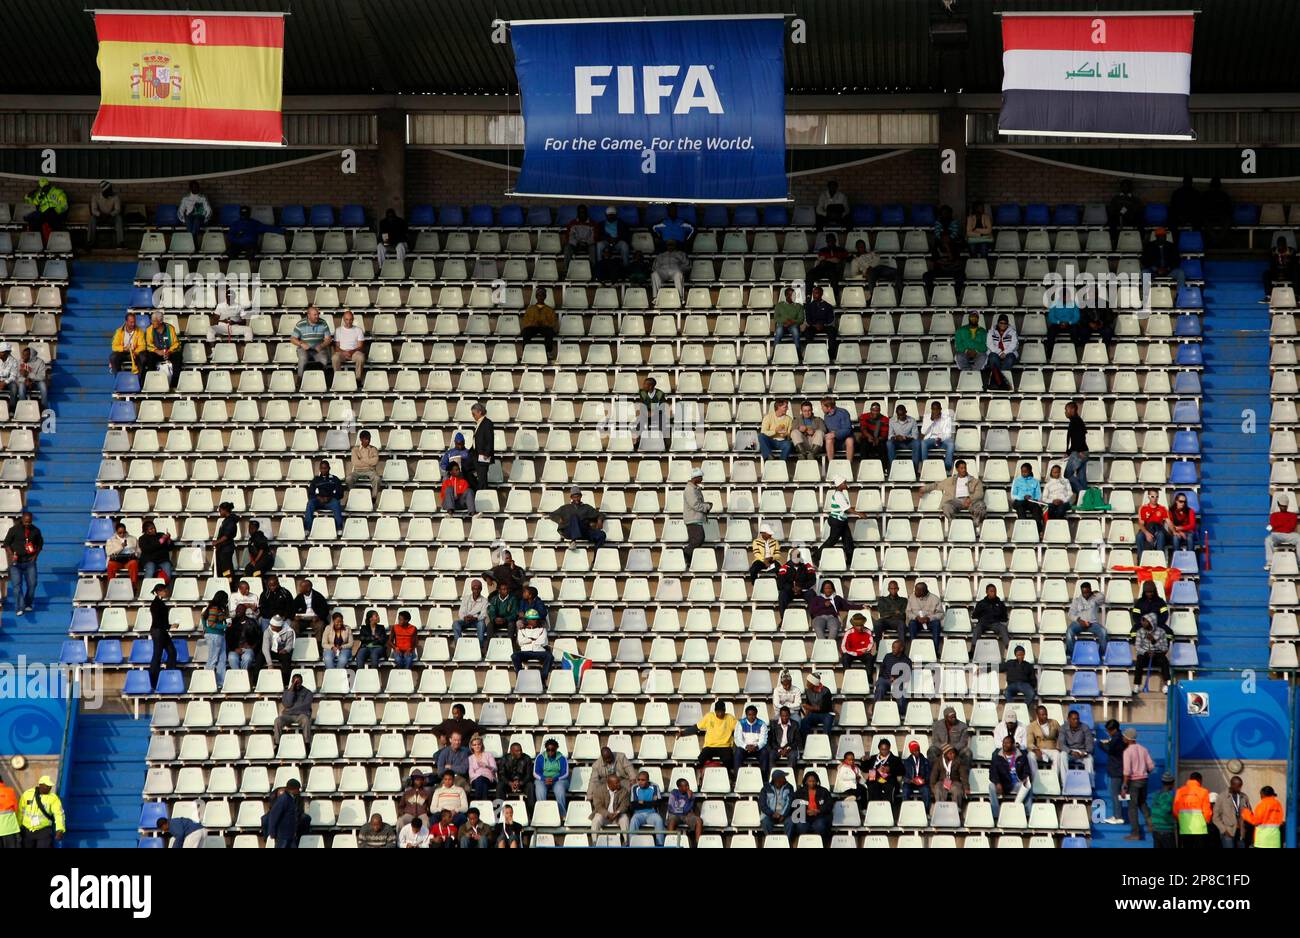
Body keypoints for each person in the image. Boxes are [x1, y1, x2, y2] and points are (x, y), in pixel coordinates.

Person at [920, 459, 986, 527]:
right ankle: (954, 524)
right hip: (955, 501)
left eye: (965, 468)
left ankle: (975, 523)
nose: (964, 470)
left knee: (981, 505)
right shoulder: (950, 480)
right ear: (957, 469)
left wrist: (970, 498)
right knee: (946, 506)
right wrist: (924, 489)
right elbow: (937, 485)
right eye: (961, 468)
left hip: (970, 501)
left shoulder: (975, 481)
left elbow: (980, 493)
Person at [818, 474, 865, 564]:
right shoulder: (838, 495)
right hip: (837, 521)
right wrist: (860, 514)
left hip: (841, 521)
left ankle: (850, 561)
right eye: (844, 483)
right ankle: (816, 556)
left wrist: (859, 510)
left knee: (848, 541)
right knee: (832, 541)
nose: (846, 484)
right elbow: (847, 509)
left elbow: (846, 507)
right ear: (840, 484)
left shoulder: (840, 494)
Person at [1121, 729, 1156, 841]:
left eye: (1124, 736)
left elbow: (1127, 772)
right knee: (1142, 802)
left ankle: (1135, 833)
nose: (1123, 738)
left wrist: (1124, 787)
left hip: (1133, 782)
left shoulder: (1127, 752)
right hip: (1144, 780)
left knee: (1132, 808)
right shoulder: (1143, 749)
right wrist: (1143, 772)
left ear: (1128, 738)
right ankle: (1151, 823)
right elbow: (1151, 766)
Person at [3, 511, 40, 617]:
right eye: (25, 522)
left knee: (32, 584)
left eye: (29, 522)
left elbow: (39, 544)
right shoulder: (13, 530)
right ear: (22, 520)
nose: (27, 524)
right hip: (16, 563)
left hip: (29, 562)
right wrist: (11, 555)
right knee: (16, 586)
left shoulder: (36, 531)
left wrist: (35, 556)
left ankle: (28, 603)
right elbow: (6, 544)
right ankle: (19, 607)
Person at [989, 735, 1034, 818]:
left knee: (1029, 785)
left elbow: (1027, 771)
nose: (1005, 745)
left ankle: (1028, 813)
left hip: (1017, 783)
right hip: (1003, 783)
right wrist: (997, 783)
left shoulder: (1021, 756)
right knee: (991, 786)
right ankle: (996, 814)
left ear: (1013, 744)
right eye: (1004, 743)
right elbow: (993, 772)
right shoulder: (997, 756)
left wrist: (1025, 778)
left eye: (1007, 743)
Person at [692, 699, 738, 779]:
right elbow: (697, 726)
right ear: (715, 711)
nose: (720, 713)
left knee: (729, 759)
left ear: (725, 711)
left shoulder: (730, 718)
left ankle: (728, 774)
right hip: (710, 746)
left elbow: (740, 727)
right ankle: (703, 774)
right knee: (701, 758)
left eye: (722, 711)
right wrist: (683, 733)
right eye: (718, 711)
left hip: (724, 746)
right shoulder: (709, 716)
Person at [1097, 719, 1129, 824]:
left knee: (1115, 794)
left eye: (1109, 731)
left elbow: (1110, 750)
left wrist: (1101, 745)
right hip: (1118, 768)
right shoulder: (1120, 737)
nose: (1108, 733)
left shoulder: (1117, 739)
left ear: (1113, 729)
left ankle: (1118, 816)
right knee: (1115, 793)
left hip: (1117, 769)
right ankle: (1117, 815)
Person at [18, 776, 64, 847]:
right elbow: (21, 812)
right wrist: (18, 828)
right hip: (27, 831)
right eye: (47, 786)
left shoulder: (53, 798)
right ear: (40, 785)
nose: (49, 788)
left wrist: (60, 829)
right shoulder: (27, 794)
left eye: (50, 786)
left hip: (44, 831)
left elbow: (59, 814)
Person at [139, 310, 181, 389]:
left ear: (160, 321)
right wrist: (157, 351)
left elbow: (176, 343)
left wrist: (169, 351)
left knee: (177, 356)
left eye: (154, 321)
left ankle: (175, 383)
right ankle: (152, 381)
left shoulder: (170, 328)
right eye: (152, 320)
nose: (152, 322)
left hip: (168, 352)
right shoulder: (149, 329)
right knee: (150, 357)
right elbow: (148, 345)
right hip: (156, 352)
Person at [290, 306, 333, 383]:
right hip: (304, 348)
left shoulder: (323, 323)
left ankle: (321, 380)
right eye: (315, 315)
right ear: (308, 315)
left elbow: (328, 339)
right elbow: (292, 339)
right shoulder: (300, 324)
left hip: (318, 348)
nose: (317, 316)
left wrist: (322, 345)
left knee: (324, 359)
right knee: (302, 359)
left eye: (318, 314)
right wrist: (301, 344)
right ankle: (299, 380)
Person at [147, 582, 176, 689]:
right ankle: (153, 682)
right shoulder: (155, 604)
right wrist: (169, 626)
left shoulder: (158, 603)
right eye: (164, 590)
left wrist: (168, 626)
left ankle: (168, 677)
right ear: (159, 592)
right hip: (158, 631)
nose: (166, 592)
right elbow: (158, 621)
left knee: (172, 652)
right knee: (157, 656)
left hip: (161, 631)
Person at [1133, 613, 1172, 692]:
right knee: (1139, 660)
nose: (1142, 623)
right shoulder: (1140, 631)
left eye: (1145, 621)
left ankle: (1166, 685)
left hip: (1157, 654)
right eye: (1142, 621)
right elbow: (1137, 647)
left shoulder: (1161, 632)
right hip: (1145, 655)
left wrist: (1154, 641)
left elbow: (1165, 647)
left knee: (1164, 660)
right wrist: (1146, 652)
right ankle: (1137, 685)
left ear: (1151, 622)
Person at [1066, 581, 1107, 655]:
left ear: (1090, 590)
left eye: (1087, 592)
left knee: (1103, 632)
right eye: (1083, 592)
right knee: (1069, 631)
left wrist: (1095, 592)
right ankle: (1072, 654)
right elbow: (1070, 614)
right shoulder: (1077, 600)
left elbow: (1102, 597)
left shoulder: (1095, 599)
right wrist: (1079, 620)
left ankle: (1102, 654)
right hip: (1079, 623)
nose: (1085, 595)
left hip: (1092, 624)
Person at [1173, 771, 1213, 847]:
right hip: (1200, 829)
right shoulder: (1203, 791)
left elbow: (1175, 811)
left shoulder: (1179, 791)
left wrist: (1181, 820)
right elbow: (1207, 812)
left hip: (1185, 828)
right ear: (1200, 780)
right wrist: (1207, 822)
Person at [511, 608, 554, 680]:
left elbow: (543, 642)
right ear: (527, 620)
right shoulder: (521, 630)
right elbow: (520, 642)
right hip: (525, 652)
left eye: (536, 619)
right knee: (514, 656)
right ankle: (520, 678)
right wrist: (533, 639)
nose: (535, 620)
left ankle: (543, 679)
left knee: (549, 656)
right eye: (533, 619)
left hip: (539, 651)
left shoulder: (542, 629)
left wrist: (528, 640)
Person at [274, 672, 314, 747]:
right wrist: (292, 689)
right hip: (288, 716)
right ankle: (277, 744)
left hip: (301, 716)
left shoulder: (308, 693)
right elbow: (287, 704)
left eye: (298, 682)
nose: (297, 684)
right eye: (295, 682)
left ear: (302, 682)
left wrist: (289, 710)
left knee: (306, 719)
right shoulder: (287, 692)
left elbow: (305, 707)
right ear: (292, 682)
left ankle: (307, 744)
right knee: (277, 720)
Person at [793, 771, 833, 844]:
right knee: (800, 826)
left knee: (820, 826)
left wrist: (818, 811)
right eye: (809, 781)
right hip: (804, 816)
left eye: (813, 781)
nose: (812, 783)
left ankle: (820, 844)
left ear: (817, 781)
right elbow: (795, 805)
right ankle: (804, 844)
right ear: (805, 781)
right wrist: (805, 811)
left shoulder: (824, 791)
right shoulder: (799, 792)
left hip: (820, 816)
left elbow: (829, 805)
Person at [305, 459, 344, 533]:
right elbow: (310, 494)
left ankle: (339, 528)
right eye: (322, 468)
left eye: (325, 468)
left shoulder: (335, 479)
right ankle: (307, 528)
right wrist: (318, 498)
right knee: (310, 503)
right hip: (318, 501)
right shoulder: (316, 479)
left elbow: (340, 493)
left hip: (330, 501)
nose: (324, 470)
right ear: (320, 469)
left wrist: (330, 498)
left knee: (336, 503)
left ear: (329, 468)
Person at [775, 548, 817, 616]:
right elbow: (780, 583)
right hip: (790, 591)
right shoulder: (784, 568)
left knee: (811, 594)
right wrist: (791, 588)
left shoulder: (807, 566)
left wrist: (801, 587)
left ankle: (814, 618)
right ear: (791, 556)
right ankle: (784, 619)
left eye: (798, 555)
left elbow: (812, 580)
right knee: (782, 595)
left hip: (803, 591)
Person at [533, 738, 570, 816]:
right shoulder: (540, 757)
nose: (550, 752)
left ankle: (562, 815)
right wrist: (544, 778)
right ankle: (542, 814)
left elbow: (565, 773)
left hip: (559, 779)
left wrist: (554, 779)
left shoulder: (562, 758)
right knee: (539, 787)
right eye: (548, 750)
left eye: (552, 750)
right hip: (544, 780)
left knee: (559, 788)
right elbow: (536, 773)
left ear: (556, 749)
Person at [199, 590, 230, 683]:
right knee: (213, 659)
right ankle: (206, 682)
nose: (227, 601)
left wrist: (205, 627)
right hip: (214, 635)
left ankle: (220, 682)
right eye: (226, 599)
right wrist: (225, 626)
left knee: (222, 659)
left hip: (219, 635)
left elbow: (203, 617)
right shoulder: (214, 608)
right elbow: (211, 624)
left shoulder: (216, 608)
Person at [1142, 227, 1186, 292]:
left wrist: (1168, 268)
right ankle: (1146, 297)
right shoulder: (1150, 246)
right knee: (1144, 273)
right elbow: (1145, 261)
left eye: (1163, 236)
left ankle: (1180, 296)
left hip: (1168, 270)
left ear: (1165, 236)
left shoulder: (1171, 246)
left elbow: (1176, 261)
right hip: (1154, 271)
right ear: (1156, 237)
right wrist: (1155, 269)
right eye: (1160, 236)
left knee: (1180, 273)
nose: (1162, 238)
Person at [805, 232, 848, 299]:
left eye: (831, 240)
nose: (830, 242)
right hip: (822, 269)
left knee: (833, 274)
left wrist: (826, 259)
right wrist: (821, 260)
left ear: (835, 240)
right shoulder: (823, 250)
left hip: (834, 270)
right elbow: (818, 262)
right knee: (809, 274)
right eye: (828, 241)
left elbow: (837, 260)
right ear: (826, 241)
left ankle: (835, 297)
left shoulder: (841, 250)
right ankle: (808, 296)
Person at [682, 467, 711, 564]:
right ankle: (685, 553)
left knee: (696, 539)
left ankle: (689, 560)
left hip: (695, 518)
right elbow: (695, 505)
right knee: (699, 538)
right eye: (701, 477)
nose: (702, 479)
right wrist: (706, 506)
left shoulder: (693, 488)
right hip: (693, 519)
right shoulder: (690, 489)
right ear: (696, 477)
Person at [970, 584, 1010, 652]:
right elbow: (974, 615)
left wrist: (999, 617)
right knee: (977, 629)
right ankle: (973, 649)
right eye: (991, 591)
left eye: (994, 591)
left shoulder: (1000, 604)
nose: (993, 593)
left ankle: (1009, 648)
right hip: (983, 623)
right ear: (987, 592)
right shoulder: (981, 603)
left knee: (1003, 628)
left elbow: (1004, 617)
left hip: (994, 623)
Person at [1028, 705, 1062, 784]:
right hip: (1039, 750)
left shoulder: (1054, 723)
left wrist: (1058, 746)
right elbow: (1029, 742)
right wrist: (1035, 750)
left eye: (1046, 714)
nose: (1045, 716)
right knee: (1030, 755)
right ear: (1037, 715)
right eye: (1042, 715)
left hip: (1052, 749)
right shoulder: (1032, 726)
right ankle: (1036, 780)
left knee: (1058, 755)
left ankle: (1054, 780)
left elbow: (1061, 736)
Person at [874, 638, 911, 710]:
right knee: (880, 687)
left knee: (899, 690)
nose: (893, 649)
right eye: (892, 647)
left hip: (897, 682)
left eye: (895, 647)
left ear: (901, 649)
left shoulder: (907, 661)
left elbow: (907, 676)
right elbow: (882, 670)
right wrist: (881, 678)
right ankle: (876, 710)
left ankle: (901, 712)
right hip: (885, 679)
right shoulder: (887, 656)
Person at [520, 287, 558, 359]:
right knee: (525, 332)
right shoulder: (530, 309)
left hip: (544, 327)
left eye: (542, 295)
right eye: (539, 295)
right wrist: (533, 323)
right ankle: (526, 352)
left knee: (550, 332)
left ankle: (548, 352)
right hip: (533, 327)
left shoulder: (549, 310)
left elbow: (553, 322)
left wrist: (545, 323)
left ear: (545, 297)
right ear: (536, 297)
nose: (540, 297)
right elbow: (525, 321)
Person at [918, 401, 955, 472]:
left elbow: (948, 434)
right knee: (923, 443)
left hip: (943, 439)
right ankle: (925, 467)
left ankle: (947, 467)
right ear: (931, 409)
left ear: (940, 409)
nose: (935, 411)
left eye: (937, 409)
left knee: (951, 444)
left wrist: (940, 438)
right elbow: (923, 432)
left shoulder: (947, 418)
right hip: (931, 439)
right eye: (933, 409)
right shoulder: (927, 417)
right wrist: (931, 420)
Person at [733, 704, 770, 777]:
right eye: (749, 715)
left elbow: (763, 740)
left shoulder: (762, 724)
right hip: (744, 748)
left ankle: (764, 779)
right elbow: (737, 739)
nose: (751, 717)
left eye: (753, 715)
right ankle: (737, 778)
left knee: (765, 752)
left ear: (756, 714)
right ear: (746, 715)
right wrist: (746, 746)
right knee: (737, 752)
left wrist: (756, 747)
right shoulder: (740, 723)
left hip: (757, 748)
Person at [1060, 709, 1095, 784]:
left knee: (1089, 759)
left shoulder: (1085, 727)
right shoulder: (1063, 728)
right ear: (1068, 719)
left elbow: (1090, 744)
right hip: (1070, 752)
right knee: (1062, 755)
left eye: (1077, 719)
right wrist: (1071, 752)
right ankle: (1065, 782)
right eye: (1074, 719)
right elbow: (1061, 744)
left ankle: (1090, 784)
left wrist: (1085, 752)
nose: (1076, 721)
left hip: (1082, 752)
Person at [330, 308, 367, 381]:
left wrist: (351, 352)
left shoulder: (358, 330)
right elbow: (336, 347)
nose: (349, 321)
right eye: (347, 319)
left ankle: (357, 379)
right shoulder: (338, 330)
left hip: (354, 353)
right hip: (342, 352)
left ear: (353, 319)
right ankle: (338, 379)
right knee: (334, 358)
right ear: (343, 319)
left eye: (350, 319)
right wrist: (343, 352)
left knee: (361, 357)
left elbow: (360, 347)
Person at [1265, 493, 1299, 570]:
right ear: (1278, 504)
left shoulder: (1293, 515)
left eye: (1285, 506)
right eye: (1282, 505)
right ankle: (1270, 563)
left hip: (1289, 535)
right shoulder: (1273, 515)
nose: (1283, 507)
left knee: (1299, 538)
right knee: (1268, 540)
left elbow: (1290, 528)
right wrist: (1283, 524)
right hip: (1277, 535)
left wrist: (1277, 525)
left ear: (1287, 506)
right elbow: (1270, 527)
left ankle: (1299, 562)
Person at [87, 180, 124, 249]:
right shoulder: (95, 196)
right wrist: (100, 215)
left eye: (111, 189)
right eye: (109, 189)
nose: (111, 191)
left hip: (110, 217)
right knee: (92, 219)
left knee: (119, 218)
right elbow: (94, 210)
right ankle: (90, 242)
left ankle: (120, 243)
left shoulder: (115, 197)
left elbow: (118, 210)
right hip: (99, 217)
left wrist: (110, 215)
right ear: (104, 190)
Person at [468, 402, 497, 493]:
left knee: (482, 478)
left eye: (474, 413)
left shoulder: (487, 423)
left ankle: (482, 495)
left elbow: (489, 439)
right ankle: (478, 489)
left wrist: (486, 454)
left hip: (483, 456)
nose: (473, 416)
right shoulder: (479, 423)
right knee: (465, 469)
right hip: (475, 455)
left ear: (479, 412)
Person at [104, 522, 141, 591]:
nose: (122, 534)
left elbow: (139, 551)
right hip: (117, 561)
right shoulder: (111, 540)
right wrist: (121, 547)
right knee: (110, 565)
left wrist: (135, 554)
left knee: (134, 563)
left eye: (124, 532)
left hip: (129, 560)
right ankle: (111, 587)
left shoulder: (133, 538)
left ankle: (133, 587)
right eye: (120, 533)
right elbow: (109, 552)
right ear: (116, 532)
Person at [865, 740, 904, 806]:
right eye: (882, 749)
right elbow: (865, 769)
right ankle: (873, 808)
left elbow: (902, 771)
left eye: (886, 749)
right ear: (879, 749)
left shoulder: (895, 759)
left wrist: (890, 769)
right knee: (872, 786)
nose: (884, 751)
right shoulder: (873, 758)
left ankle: (887, 808)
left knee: (889, 787)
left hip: (888, 780)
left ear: (889, 748)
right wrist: (863, 761)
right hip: (875, 779)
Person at [1064, 400, 1090, 495]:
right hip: (1084, 451)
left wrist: (1078, 451)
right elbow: (1077, 438)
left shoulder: (1076, 421)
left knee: (1067, 475)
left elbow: (1080, 437)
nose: (1065, 412)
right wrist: (1068, 452)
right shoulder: (1077, 420)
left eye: (1066, 410)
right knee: (1081, 478)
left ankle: (1084, 495)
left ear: (1072, 409)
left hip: (1079, 453)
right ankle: (1084, 501)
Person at [906, 581, 943, 647]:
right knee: (911, 623)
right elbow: (908, 612)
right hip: (917, 621)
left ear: (922, 591)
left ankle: (935, 651)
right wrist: (916, 617)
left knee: (937, 624)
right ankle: (913, 648)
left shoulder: (935, 598)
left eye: (916, 590)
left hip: (930, 622)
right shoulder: (912, 597)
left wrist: (929, 618)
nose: (915, 592)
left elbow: (940, 614)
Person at [759, 770, 796, 837]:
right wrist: (772, 814)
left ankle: (787, 842)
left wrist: (783, 815)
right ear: (777, 779)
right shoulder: (765, 788)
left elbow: (790, 803)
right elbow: (762, 805)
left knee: (791, 821)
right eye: (783, 777)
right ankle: (770, 840)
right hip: (770, 814)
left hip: (785, 815)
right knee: (765, 822)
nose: (785, 779)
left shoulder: (789, 787)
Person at [293, 577, 329, 644]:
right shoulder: (299, 597)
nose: (299, 589)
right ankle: (296, 644)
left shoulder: (318, 596)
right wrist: (295, 617)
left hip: (315, 619)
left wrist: (318, 617)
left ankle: (318, 646)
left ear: (308, 588)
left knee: (320, 625)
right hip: (302, 620)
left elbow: (325, 610)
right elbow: (293, 609)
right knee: (293, 624)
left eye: (301, 587)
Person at [804, 288, 838, 359]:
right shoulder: (809, 306)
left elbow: (831, 319)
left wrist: (823, 324)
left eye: (816, 293)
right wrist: (814, 325)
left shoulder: (828, 306)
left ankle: (830, 355)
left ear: (821, 294)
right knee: (807, 332)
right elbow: (808, 320)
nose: (814, 295)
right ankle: (812, 353)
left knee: (833, 332)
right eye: (813, 293)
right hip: (813, 326)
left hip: (825, 326)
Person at [1011, 462, 1044, 536]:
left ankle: (1038, 531)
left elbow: (1038, 495)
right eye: (1022, 471)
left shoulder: (1035, 481)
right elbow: (1013, 495)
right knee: (1020, 507)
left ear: (1030, 471)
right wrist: (1022, 497)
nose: (1024, 473)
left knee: (1036, 508)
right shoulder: (1017, 481)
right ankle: (1024, 529)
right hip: (1019, 501)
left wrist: (1033, 498)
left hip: (1030, 501)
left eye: (1025, 472)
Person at [665, 778, 703, 844]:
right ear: (679, 787)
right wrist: (682, 810)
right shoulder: (674, 793)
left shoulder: (691, 795)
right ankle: (670, 842)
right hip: (675, 815)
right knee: (671, 821)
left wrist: (689, 798)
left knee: (698, 821)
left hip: (687, 815)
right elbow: (671, 808)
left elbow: (688, 808)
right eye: (685, 786)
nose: (688, 787)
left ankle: (698, 844)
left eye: (688, 785)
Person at [930, 745, 967, 810]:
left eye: (953, 753)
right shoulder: (939, 761)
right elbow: (934, 774)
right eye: (950, 753)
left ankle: (957, 809)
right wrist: (932, 785)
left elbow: (963, 774)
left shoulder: (958, 761)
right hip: (942, 781)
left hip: (954, 781)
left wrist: (966, 787)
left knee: (957, 790)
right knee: (938, 789)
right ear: (945, 754)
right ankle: (940, 809)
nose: (952, 755)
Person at [874, 580, 908, 649]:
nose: (893, 590)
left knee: (902, 624)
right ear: (888, 589)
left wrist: (889, 612)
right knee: (877, 623)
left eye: (895, 588)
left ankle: (902, 649)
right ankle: (878, 648)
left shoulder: (903, 600)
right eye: (891, 588)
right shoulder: (882, 600)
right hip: (885, 621)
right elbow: (882, 614)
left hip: (897, 622)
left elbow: (902, 615)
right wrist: (896, 612)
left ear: (898, 589)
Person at [211, 501, 239, 586]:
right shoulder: (226, 520)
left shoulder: (230, 521)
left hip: (226, 549)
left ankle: (230, 586)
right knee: (219, 569)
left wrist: (216, 542)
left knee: (227, 570)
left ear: (225, 510)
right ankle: (222, 586)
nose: (219, 512)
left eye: (220, 510)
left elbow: (226, 536)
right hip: (222, 549)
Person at [1107, 178, 1143, 243]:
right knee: (1112, 220)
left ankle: (1141, 239)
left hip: (1131, 218)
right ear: (1121, 187)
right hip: (1118, 218)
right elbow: (1111, 209)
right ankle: (1113, 239)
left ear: (1131, 188)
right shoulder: (1116, 198)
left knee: (1140, 219)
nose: (1125, 188)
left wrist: (1125, 210)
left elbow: (1137, 209)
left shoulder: (1135, 199)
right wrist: (1120, 212)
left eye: (1127, 186)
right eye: (1124, 186)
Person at [800, 671, 836, 737]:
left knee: (827, 728)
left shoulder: (826, 691)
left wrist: (810, 707)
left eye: (808, 682)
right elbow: (808, 703)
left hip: (826, 714)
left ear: (813, 684)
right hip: (814, 714)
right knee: (804, 722)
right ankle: (805, 743)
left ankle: (826, 744)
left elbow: (824, 708)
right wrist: (806, 715)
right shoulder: (808, 691)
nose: (807, 684)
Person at [773, 287, 805, 355]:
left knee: (795, 331)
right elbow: (776, 318)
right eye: (791, 295)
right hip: (782, 325)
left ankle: (798, 354)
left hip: (794, 325)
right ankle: (774, 354)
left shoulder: (799, 306)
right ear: (786, 296)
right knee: (778, 331)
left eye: (794, 295)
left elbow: (801, 319)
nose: (793, 296)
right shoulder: (779, 305)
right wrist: (785, 321)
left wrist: (792, 322)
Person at [820, 396, 855, 461]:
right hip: (834, 442)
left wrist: (835, 434)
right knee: (829, 440)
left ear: (829, 407)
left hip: (844, 440)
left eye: (822, 406)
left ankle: (849, 465)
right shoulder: (826, 416)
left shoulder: (843, 413)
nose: (821, 408)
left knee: (850, 440)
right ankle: (831, 464)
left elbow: (848, 429)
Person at [1137, 489, 1170, 557]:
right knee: (1139, 536)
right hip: (1147, 529)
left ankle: (1160, 561)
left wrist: (1175, 531)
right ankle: (1141, 561)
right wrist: (1147, 533)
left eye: (1157, 496)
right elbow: (1141, 524)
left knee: (1160, 534)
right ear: (1148, 497)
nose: (1155, 499)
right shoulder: (1143, 508)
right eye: (1152, 496)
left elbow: (1169, 522)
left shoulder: (1163, 508)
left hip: (1159, 530)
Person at [262, 616, 296, 682]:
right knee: (260, 656)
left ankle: (285, 681)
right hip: (271, 650)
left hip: (282, 651)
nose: (270, 627)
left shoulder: (289, 631)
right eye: (271, 625)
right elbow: (265, 648)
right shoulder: (267, 631)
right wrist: (270, 664)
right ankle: (256, 680)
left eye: (273, 626)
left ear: (279, 627)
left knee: (286, 658)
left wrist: (285, 649)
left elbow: (289, 645)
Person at [767, 706, 802, 770]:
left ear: (789, 715)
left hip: (790, 748)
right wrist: (779, 749)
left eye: (786, 716)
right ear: (780, 715)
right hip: (777, 748)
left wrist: (788, 748)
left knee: (793, 756)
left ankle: (789, 777)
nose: (785, 718)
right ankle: (773, 776)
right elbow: (772, 741)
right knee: (771, 755)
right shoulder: (774, 724)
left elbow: (797, 740)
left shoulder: (795, 724)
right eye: (783, 716)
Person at [1149, 772, 1178, 848]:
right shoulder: (1168, 797)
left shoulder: (1157, 795)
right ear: (1172, 783)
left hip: (1156, 830)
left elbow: (1153, 811)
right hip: (1166, 831)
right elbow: (1165, 812)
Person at [466, 734, 497, 801]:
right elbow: (471, 774)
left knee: (483, 781)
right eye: (474, 745)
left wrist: (486, 766)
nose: (477, 746)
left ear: (482, 745)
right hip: (476, 780)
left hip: (489, 779)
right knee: (481, 780)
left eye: (479, 744)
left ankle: (477, 803)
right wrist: (480, 775)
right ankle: (484, 803)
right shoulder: (470, 758)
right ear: (471, 746)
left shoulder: (488, 755)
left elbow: (495, 769)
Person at [18, 346, 48, 411]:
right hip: (24, 382)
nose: (23, 356)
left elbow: (42, 377)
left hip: (36, 383)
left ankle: (44, 408)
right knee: (21, 386)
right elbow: (16, 376)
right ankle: (22, 409)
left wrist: (29, 375)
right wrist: (25, 380)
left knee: (43, 385)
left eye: (25, 355)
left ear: (31, 355)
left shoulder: (40, 362)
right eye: (22, 354)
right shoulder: (20, 361)